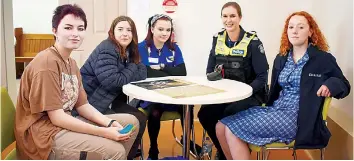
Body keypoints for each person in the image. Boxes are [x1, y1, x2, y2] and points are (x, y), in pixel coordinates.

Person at [216, 11, 351, 160]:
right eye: (291, 27)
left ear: (311, 31)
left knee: (231, 129)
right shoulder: (281, 58)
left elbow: (344, 84)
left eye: (300, 27)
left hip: (298, 118)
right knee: (220, 127)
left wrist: (330, 84)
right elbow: (273, 91)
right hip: (276, 109)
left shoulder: (322, 59)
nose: (294, 31)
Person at [14, 4, 139, 160]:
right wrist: (104, 132)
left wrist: (109, 123)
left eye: (80, 29)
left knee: (132, 122)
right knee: (115, 150)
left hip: (64, 122)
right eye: (68, 28)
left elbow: (82, 105)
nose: (75, 34)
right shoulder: (46, 64)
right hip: (43, 135)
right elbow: (57, 118)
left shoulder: (71, 63)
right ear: (54, 31)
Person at [197, 2, 269, 159]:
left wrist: (245, 92)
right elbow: (209, 71)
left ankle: (238, 152)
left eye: (232, 16)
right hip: (226, 95)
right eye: (225, 16)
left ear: (240, 18)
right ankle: (223, 149)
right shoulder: (217, 39)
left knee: (228, 113)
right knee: (204, 114)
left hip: (251, 95)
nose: (228, 20)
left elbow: (262, 77)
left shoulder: (253, 42)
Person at [78, 16, 147, 159]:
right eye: (120, 29)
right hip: (91, 103)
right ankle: (124, 154)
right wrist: (132, 65)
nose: (125, 33)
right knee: (138, 119)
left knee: (140, 117)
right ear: (112, 32)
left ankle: (128, 153)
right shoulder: (107, 48)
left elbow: (143, 73)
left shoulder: (129, 50)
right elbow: (113, 80)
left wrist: (127, 70)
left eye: (129, 30)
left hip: (110, 99)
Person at [138, 14, 201, 160]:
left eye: (168, 30)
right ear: (152, 29)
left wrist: (161, 67)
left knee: (188, 107)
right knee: (154, 113)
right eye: (160, 29)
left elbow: (182, 72)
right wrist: (169, 71)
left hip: (173, 95)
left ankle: (187, 140)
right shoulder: (141, 48)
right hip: (152, 96)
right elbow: (145, 73)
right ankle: (154, 148)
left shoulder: (174, 48)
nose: (164, 33)